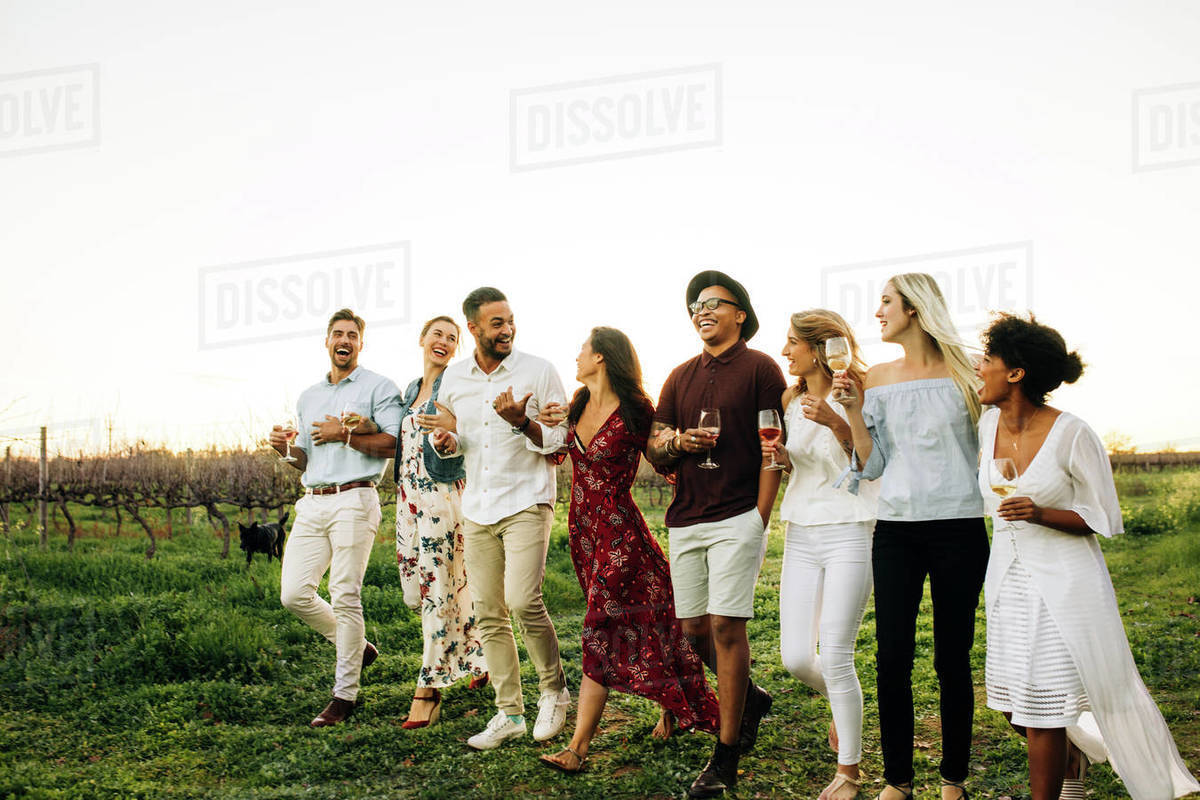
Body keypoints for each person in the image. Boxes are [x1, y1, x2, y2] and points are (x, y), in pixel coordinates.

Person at [975, 313, 1200, 800]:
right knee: (1014, 706)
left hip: (1065, 585)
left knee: (1042, 712)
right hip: (1007, 582)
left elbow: (1103, 518)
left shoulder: (1073, 433)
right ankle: (1073, 759)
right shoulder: (986, 425)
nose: (980, 367)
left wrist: (1040, 512)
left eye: (988, 359)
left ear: (1016, 373)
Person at [535, 327, 720, 774]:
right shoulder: (579, 403)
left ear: (601, 358)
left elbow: (662, 460)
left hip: (620, 536)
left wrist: (689, 451)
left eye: (582, 350)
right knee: (657, 623)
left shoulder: (637, 409)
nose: (576, 356)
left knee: (598, 629)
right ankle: (681, 706)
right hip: (583, 533)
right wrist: (535, 422)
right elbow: (557, 453)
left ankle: (578, 748)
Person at [835, 274, 988, 800]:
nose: (877, 313)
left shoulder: (969, 376)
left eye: (885, 302)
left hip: (960, 528)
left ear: (916, 310)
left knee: (952, 656)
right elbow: (872, 464)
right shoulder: (875, 377)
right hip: (896, 531)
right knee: (892, 655)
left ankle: (953, 780)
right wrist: (854, 411)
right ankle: (898, 779)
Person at [646, 270, 787, 799]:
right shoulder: (679, 376)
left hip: (736, 514)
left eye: (713, 303)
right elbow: (654, 446)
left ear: (740, 314)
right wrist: (679, 442)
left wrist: (760, 514)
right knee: (693, 631)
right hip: (686, 517)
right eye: (695, 306)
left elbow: (773, 442)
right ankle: (749, 695)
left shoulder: (761, 368)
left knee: (727, 626)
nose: (701, 311)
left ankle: (724, 758)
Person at [425, 287, 571, 750]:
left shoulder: (539, 371)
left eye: (510, 321)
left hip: (527, 500)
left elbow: (558, 442)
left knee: (523, 600)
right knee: (489, 611)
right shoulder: (454, 379)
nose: (506, 329)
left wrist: (522, 422)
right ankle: (508, 711)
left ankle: (555, 691)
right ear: (473, 328)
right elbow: (448, 434)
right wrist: (444, 443)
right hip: (478, 507)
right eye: (496, 323)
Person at [762, 310, 877, 800]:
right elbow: (810, 469)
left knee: (835, 652)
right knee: (794, 658)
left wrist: (837, 421)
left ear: (818, 348)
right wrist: (786, 461)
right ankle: (846, 701)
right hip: (803, 529)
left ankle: (848, 770)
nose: (785, 352)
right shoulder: (791, 399)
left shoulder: (855, 392)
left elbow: (870, 464)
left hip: (852, 528)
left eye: (792, 343)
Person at [267, 308, 402, 727]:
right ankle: (357, 646)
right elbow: (306, 458)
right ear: (327, 342)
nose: (344, 340)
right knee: (294, 594)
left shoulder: (380, 387)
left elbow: (394, 444)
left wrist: (345, 434)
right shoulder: (309, 396)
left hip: (355, 499)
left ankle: (345, 694)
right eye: (337, 334)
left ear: (361, 343)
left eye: (352, 335)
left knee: (345, 593)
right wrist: (283, 449)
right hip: (313, 501)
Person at [391, 315, 488, 727]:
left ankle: (428, 688)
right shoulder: (411, 390)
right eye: (437, 334)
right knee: (420, 588)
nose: (444, 342)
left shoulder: (459, 386)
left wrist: (452, 440)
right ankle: (478, 652)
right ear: (422, 339)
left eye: (452, 338)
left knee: (436, 589)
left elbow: (472, 434)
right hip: (407, 498)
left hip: (442, 494)